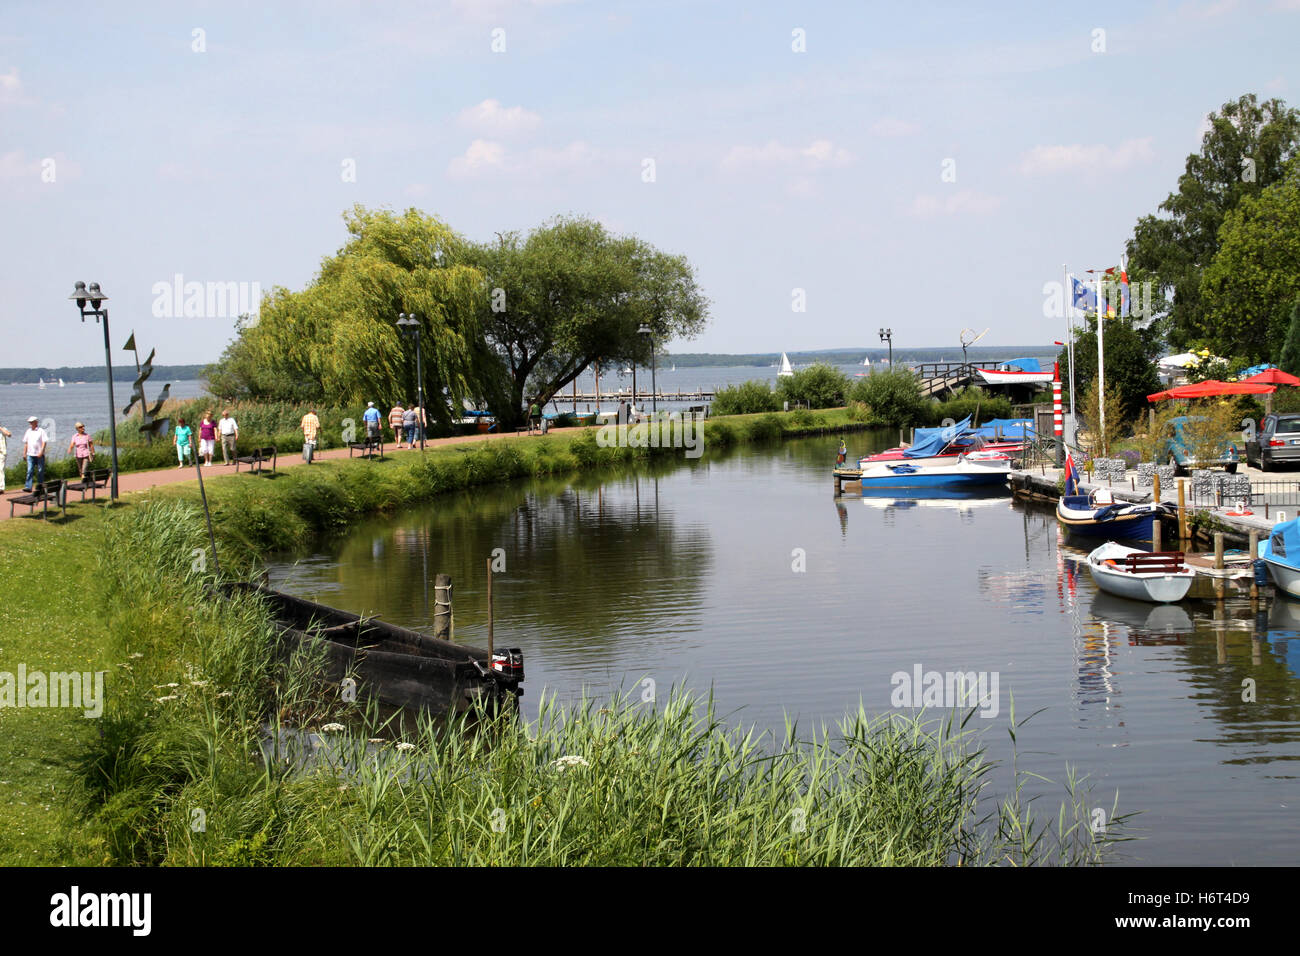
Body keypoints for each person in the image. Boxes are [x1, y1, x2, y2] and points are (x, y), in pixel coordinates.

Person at [22, 416, 48, 491]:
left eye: (32, 422)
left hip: (39, 455)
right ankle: (28, 486)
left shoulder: (41, 431)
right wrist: (24, 453)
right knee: (29, 470)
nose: (30, 424)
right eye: (30, 422)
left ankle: (40, 486)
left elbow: (44, 442)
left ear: (36, 422)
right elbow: (26, 443)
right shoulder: (28, 431)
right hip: (30, 454)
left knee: (40, 470)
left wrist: (41, 451)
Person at [0, 421, 11, 494]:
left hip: (2, 453)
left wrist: (0, 428)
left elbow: (9, 434)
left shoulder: (3, 430)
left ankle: (1, 487)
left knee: (0, 469)